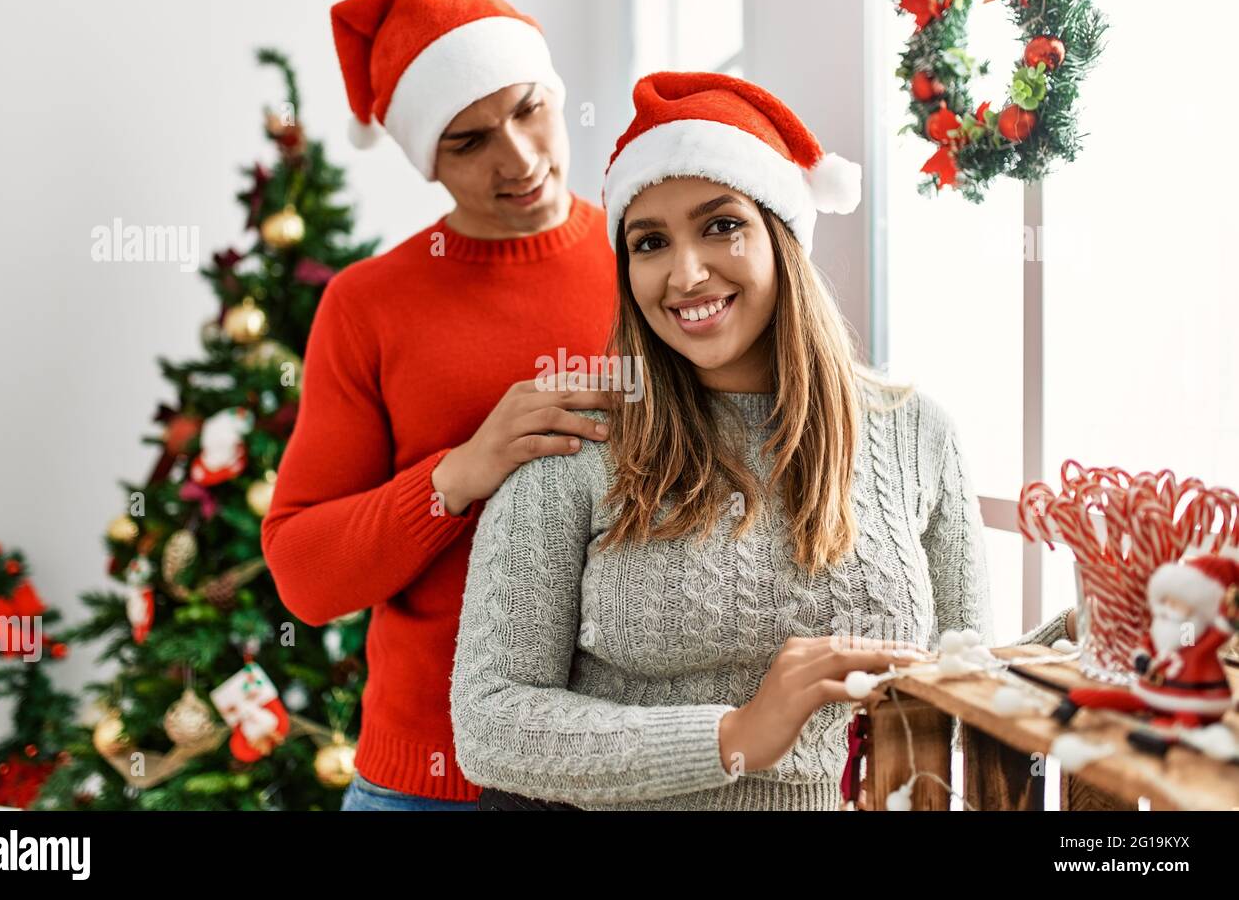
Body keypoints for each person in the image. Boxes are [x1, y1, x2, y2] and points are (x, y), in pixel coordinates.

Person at [450, 71, 1077, 811]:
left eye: (722, 225)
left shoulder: (917, 433)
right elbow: (488, 722)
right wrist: (735, 734)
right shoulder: (580, 440)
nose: (685, 274)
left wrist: (1074, 637)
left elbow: (959, 679)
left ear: (782, 237)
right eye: (650, 242)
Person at [261, 0, 617, 811]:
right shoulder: (368, 305)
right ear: (426, 159)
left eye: (531, 108)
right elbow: (306, 577)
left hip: (631, 769)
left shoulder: (649, 262)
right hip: (429, 780)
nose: (520, 157)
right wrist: (459, 473)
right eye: (468, 141)